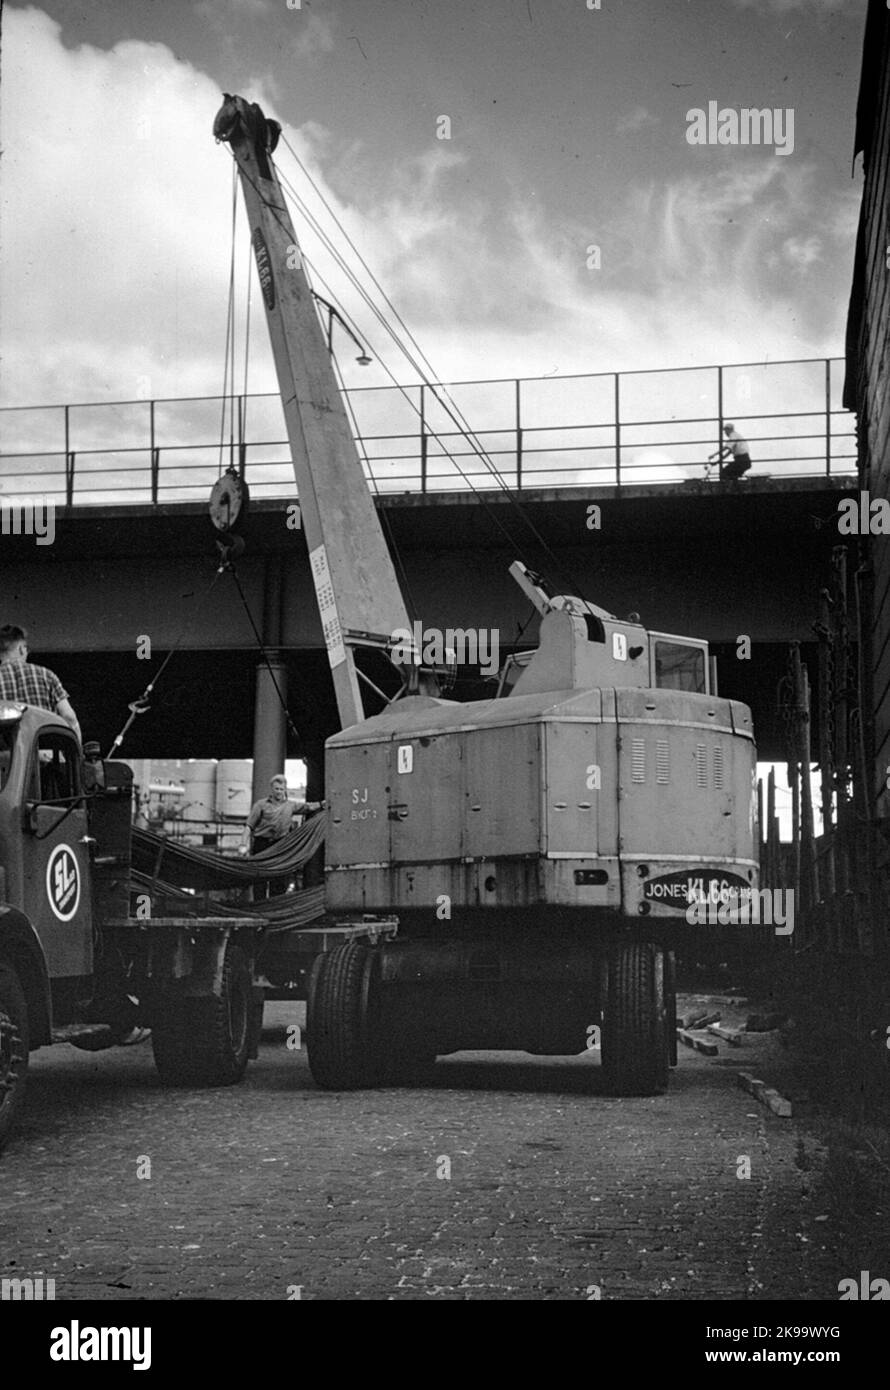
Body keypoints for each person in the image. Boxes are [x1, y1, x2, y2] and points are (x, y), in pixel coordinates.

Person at [0, 624, 82, 741]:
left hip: (7, 756)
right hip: (46, 754)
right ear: (21, 649)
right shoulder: (47, 675)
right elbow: (69, 718)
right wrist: (77, 755)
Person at [239, 774, 325, 857]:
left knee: (279, 870)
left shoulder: (290, 805)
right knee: (260, 870)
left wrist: (321, 804)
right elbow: (249, 826)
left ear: (285, 790)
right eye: (276, 789)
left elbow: (307, 807)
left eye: (281, 789)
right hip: (262, 845)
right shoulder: (260, 805)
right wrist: (243, 844)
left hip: (281, 845)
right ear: (272, 789)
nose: (279, 792)